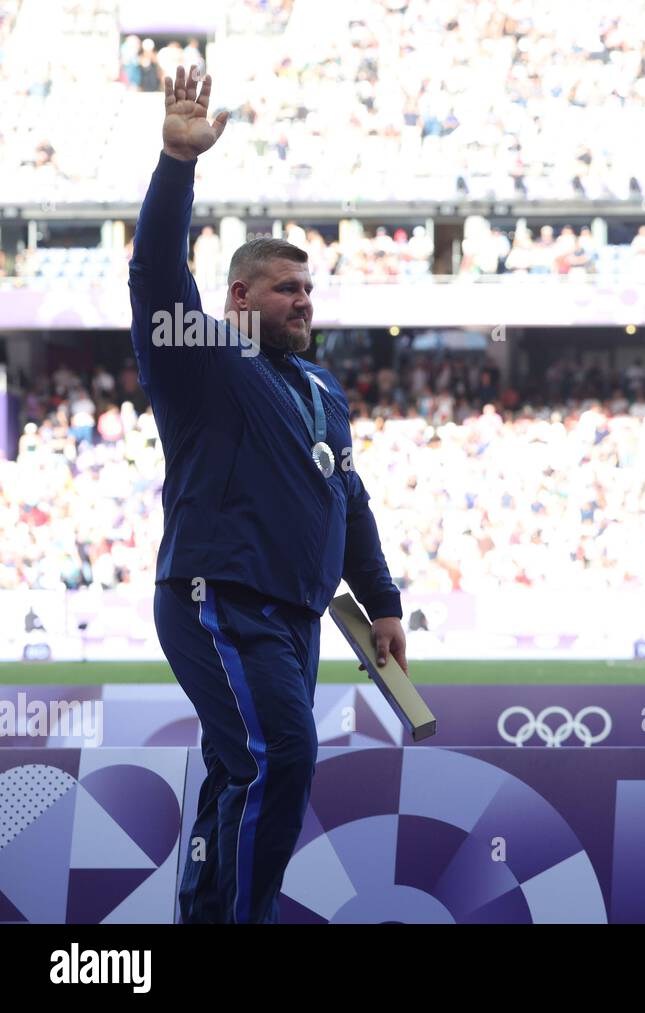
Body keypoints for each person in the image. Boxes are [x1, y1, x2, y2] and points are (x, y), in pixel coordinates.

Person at [128, 67, 407, 924]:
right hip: (219, 599)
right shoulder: (203, 357)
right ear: (239, 296)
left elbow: (347, 500)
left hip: (294, 615)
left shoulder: (323, 388)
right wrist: (178, 164)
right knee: (279, 756)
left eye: (311, 289)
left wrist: (383, 598)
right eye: (287, 289)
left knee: (237, 765)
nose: (305, 302)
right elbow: (153, 278)